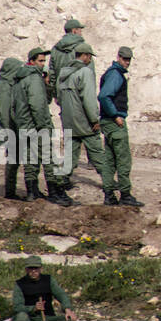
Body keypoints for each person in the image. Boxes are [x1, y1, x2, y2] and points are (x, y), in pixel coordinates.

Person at [56, 42, 116, 205]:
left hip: (68, 122)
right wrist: (94, 120)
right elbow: (89, 99)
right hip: (85, 123)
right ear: (85, 56)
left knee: (69, 156)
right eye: (90, 57)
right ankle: (109, 190)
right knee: (98, 156)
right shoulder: (85, 72)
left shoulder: (63, 73)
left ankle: (58, 187)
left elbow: (59, 98)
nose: (90, 60)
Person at [13, 49, 68, 206]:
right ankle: (55, 193)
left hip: (25, 126)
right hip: (37, 126)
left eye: (44, 61)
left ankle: (32, 192)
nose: (43, 65)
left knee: (31, 160)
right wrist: (44, 126)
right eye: (40, 61)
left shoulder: (20, 78)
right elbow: (38, 105)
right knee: (49, 159)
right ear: (32, 61)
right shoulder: (34, 79)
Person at [97, 46, 142, 207]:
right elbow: (103, 96)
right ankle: (125, 194)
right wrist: (115, 115)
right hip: (114, 124)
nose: (127, 62)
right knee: (123, 159)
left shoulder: (111, 73)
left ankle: (109, 194)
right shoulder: (116, 75)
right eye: (124, 59)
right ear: (118, 57)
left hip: (107, 123)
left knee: (109, 159)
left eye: (129, 59)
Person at [0, 57, 22, 199]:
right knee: (13, 160)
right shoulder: (4, 87)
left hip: (9, 129)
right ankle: (10, 192)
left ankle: (11, 191)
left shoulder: (6, 84)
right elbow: (4, 112)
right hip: (9, 129)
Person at [12, 256, 75, 321]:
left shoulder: (49, 280)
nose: (33, 271)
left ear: (41, 269)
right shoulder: (20, 283)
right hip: (30, 317)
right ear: (26, 269)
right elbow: (17, 307)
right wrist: (34, 308)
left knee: (69, 318)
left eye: (36, 268)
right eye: (31, 268)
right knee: (21, 316)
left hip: (48, 317)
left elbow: (61, 295)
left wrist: (67, 309)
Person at [47, 18, 84, 100]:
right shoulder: (82, 47)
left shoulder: (55, 49)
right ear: (74, 31)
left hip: (61, 91)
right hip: (77, 92)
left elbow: (52, 72)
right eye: (80, 30)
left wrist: (55, 94)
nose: (81, 33)